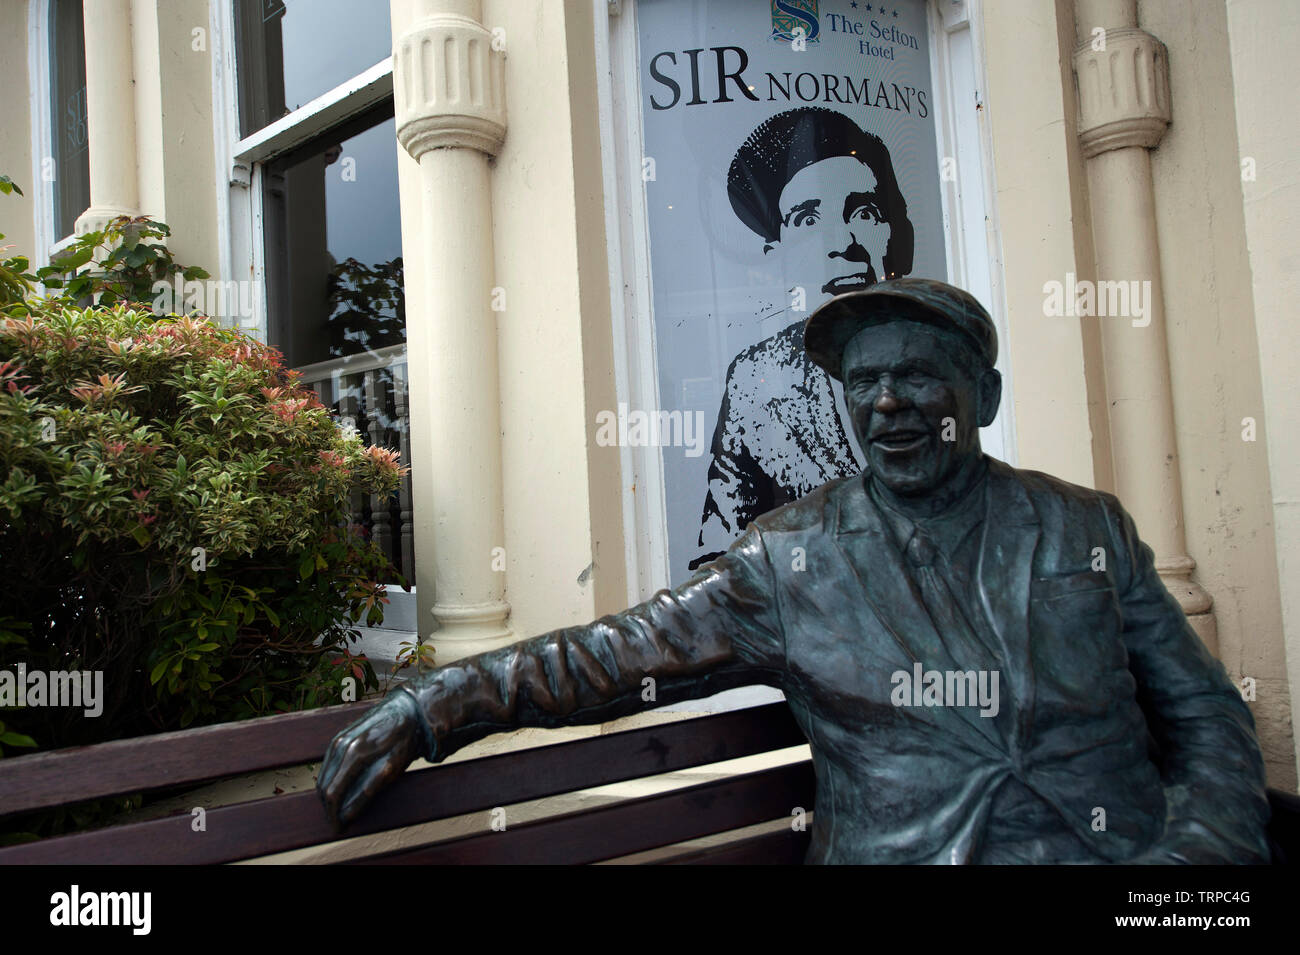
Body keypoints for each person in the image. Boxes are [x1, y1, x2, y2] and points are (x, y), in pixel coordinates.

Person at [317, 278, 1270, 864]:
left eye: (916, 376)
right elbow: (607, 655)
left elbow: (1205, 712)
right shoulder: (788, 559)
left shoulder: (1083, 523)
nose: (888, 403)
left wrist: (1203, 853)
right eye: (862, 383)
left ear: (980, 394)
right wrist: (431, 704)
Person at [692, 106, 916, 569]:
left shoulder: (939, 352)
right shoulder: (757, 376)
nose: (842, 241)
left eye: (865, 212)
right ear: (779, 256)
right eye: (809, 220)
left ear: (891, 233)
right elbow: (723, 550)